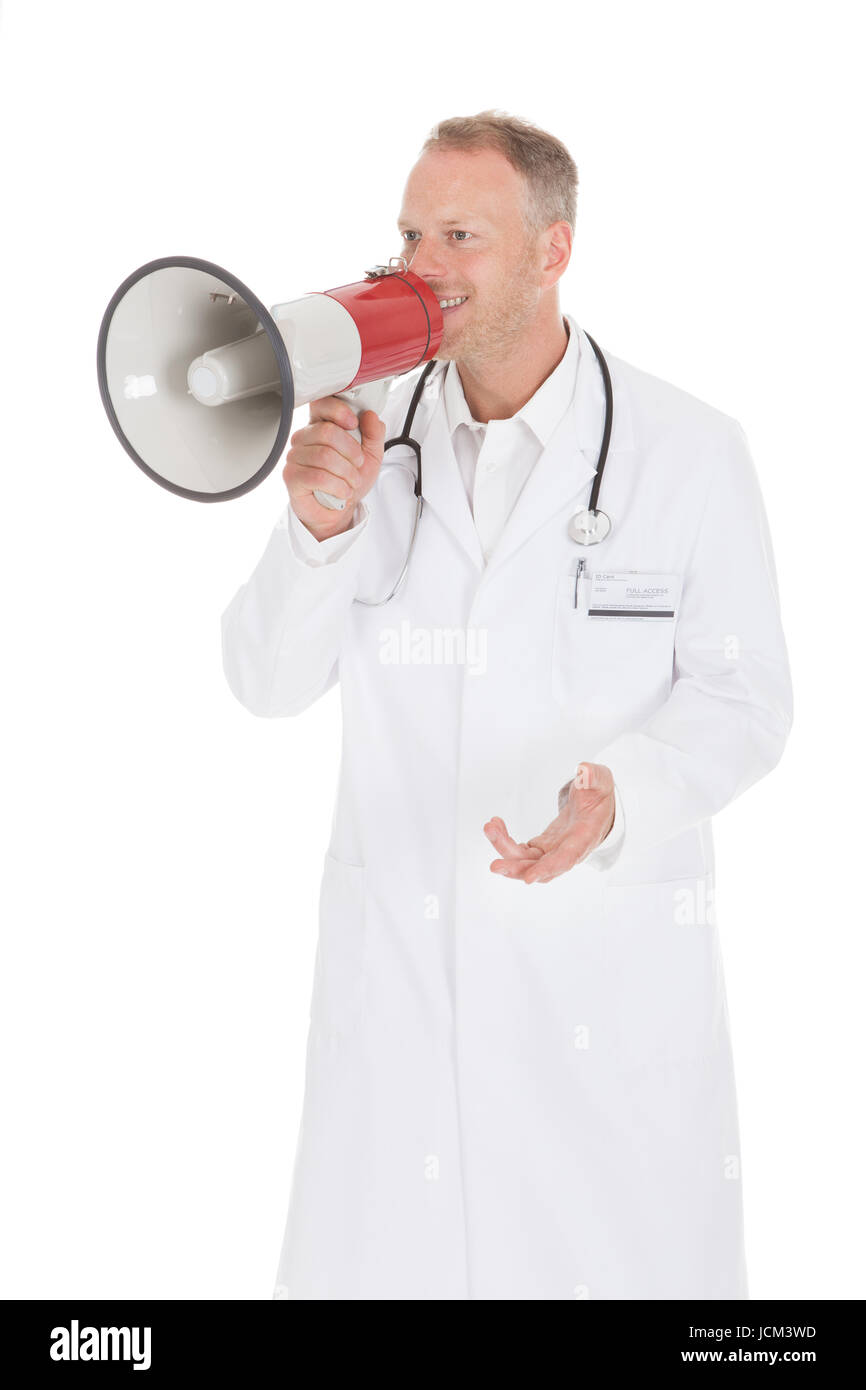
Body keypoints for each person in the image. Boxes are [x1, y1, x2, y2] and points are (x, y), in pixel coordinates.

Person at [220, 111, 793, 1300]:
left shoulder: (687, 451)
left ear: (552, 251)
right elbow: (267, 686)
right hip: (400, 992)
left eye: (461, 235)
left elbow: (745, 697)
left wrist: (624, 792)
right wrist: (317, 532)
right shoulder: (369, 438)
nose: (419, 265)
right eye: (409, 232)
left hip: (598, 986)